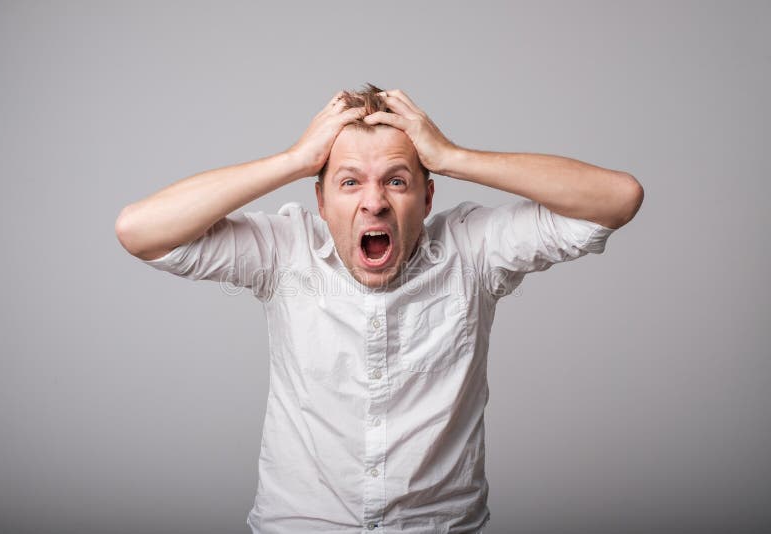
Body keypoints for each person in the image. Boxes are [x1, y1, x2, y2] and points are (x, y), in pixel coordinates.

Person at [115, 84, 643, 533]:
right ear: (321, 202)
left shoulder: (473, 250)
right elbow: (140, 231)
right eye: (349, 182)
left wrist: (453, 155)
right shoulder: (284, 250)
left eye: (396, 180)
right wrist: (295, 160)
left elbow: (617, 198)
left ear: (428, 196)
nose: (374, 202)